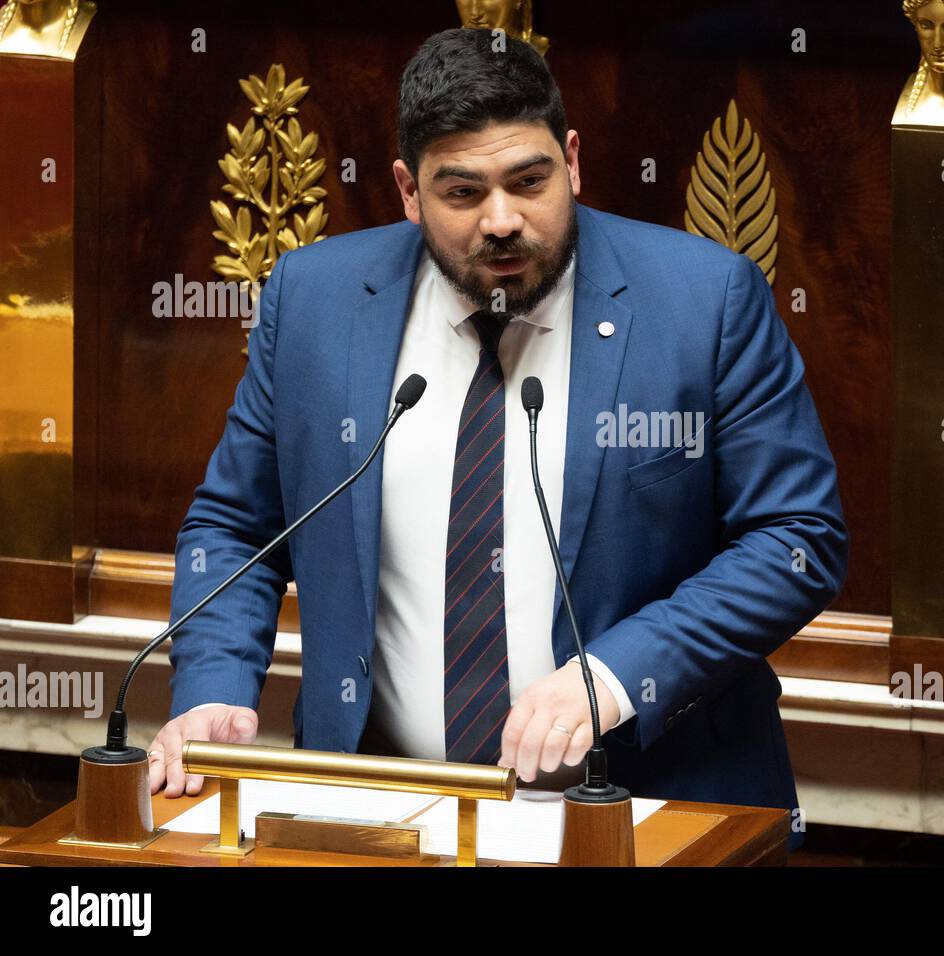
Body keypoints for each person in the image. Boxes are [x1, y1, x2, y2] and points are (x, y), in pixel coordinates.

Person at [149, 27, 848, 852]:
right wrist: (214, 685)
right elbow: (236, 527)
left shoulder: (706, 302)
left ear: (574, 161)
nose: (503, 220)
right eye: (463, 192)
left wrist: (616, 675)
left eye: (530, 180)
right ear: (409, 192)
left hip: (645, 808)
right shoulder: (315, 300)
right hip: (382, 816)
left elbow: (796, 537)